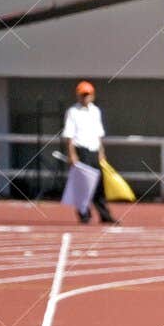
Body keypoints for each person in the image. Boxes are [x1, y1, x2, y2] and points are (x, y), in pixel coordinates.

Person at [63, 81, 117, 226]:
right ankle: (84, 214)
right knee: (83, 185)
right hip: (81, 150)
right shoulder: (72, 112)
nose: (85, 97)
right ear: (78, 96)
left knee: (99, 185)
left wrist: (101, 152)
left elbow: (99, 134)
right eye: (82, 95)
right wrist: (72, 154)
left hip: (94, 150)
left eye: (87, 94)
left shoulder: (96, 111)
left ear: (92, 96)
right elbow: (69, 135)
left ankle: (104, 215)